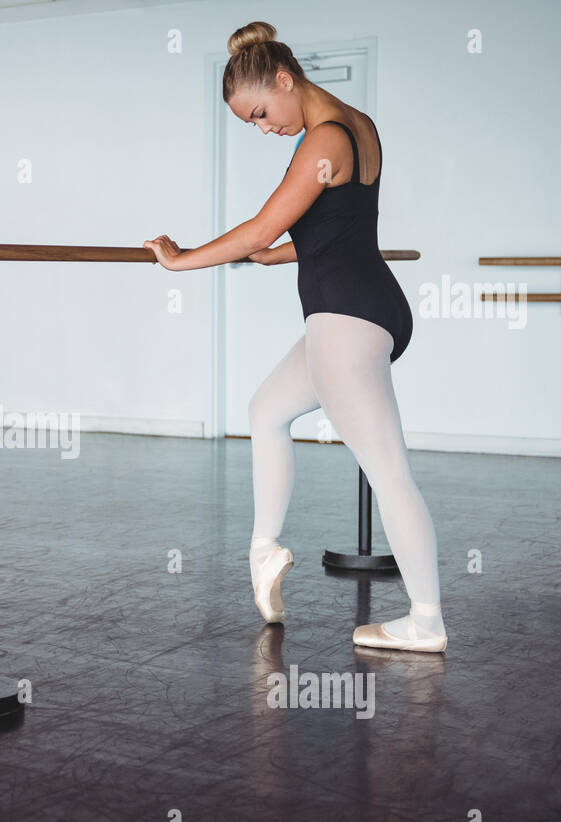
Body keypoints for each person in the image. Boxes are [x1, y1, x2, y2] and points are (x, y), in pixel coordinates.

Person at [142, 20, 447, 653]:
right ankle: (263, 551)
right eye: (249, 123)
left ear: (285, 79)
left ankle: (426, 620)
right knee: (266, 410)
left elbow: (258, 228)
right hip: (365, 303)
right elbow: (343, 226)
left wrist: (183, 259)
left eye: (260, 112)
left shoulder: (321, 140)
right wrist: (284, 255)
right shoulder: (358, 127)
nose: (262, 127)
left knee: (388, 471)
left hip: (344, 316)